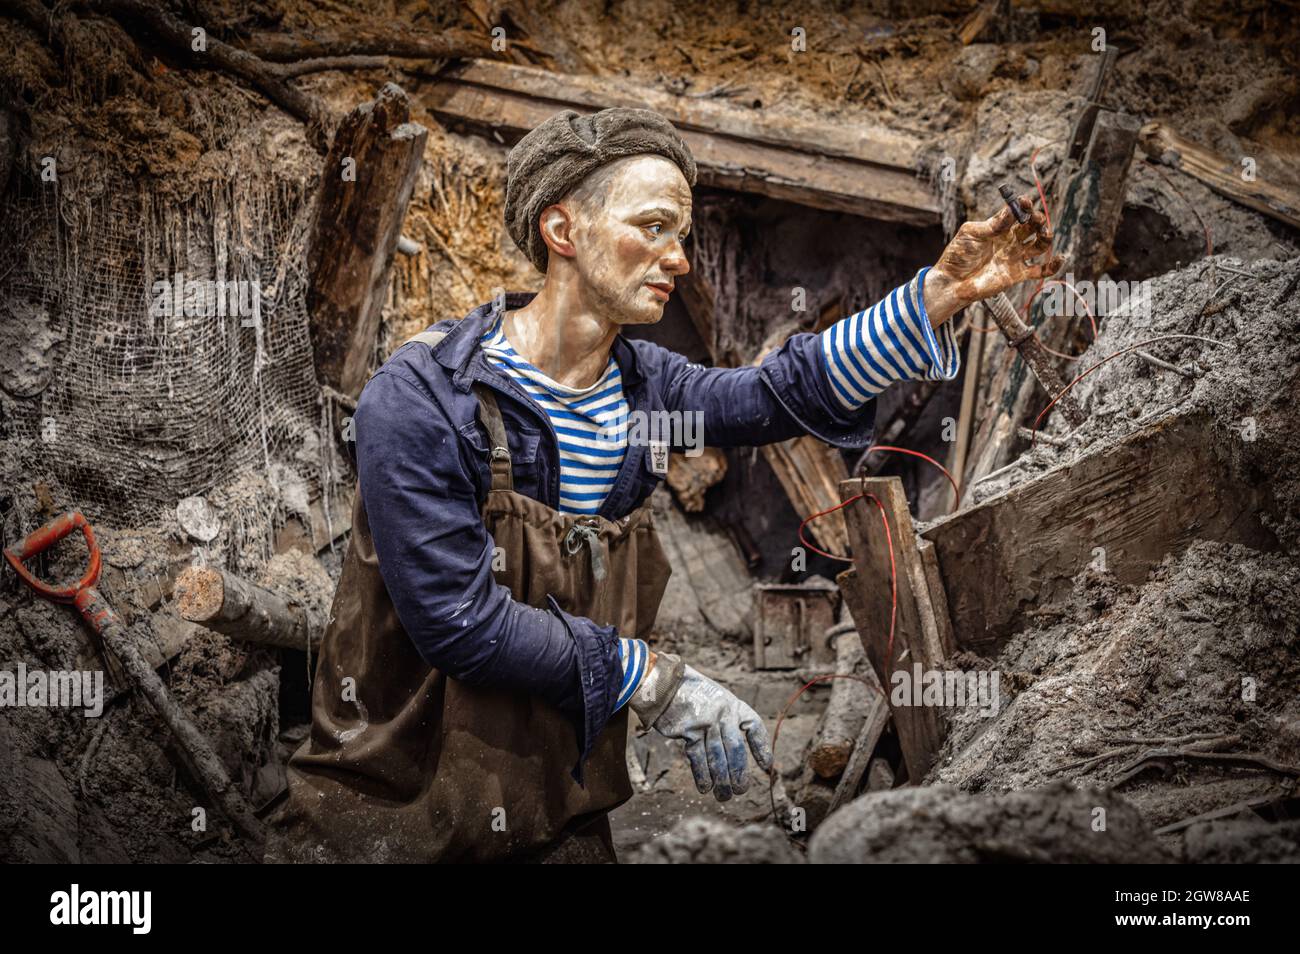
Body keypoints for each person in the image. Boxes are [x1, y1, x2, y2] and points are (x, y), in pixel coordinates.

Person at [267, 106, 1058, 863]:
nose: (679, 259)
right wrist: (651, 680)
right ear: (563, 229)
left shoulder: (643, 389)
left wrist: (937, 297)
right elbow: (459, 622)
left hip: (551, 806)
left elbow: (778, 392)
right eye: (653, 228)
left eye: (681, 236)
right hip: (386, 810)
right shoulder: (425, 397)